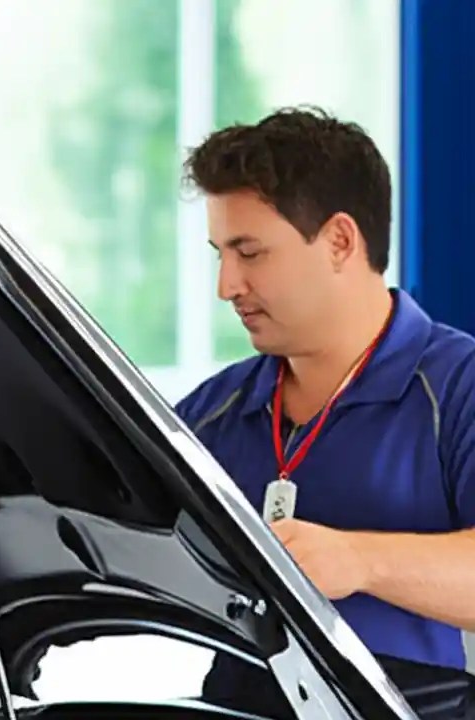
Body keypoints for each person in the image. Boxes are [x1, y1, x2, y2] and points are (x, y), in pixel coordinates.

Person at [174, 107, 475, 716]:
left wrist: (358, 561)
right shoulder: (212, 412)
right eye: (219, 254)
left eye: (249, 252)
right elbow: (71, 528)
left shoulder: (459, 385)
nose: (226, 285)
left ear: (340, 240)